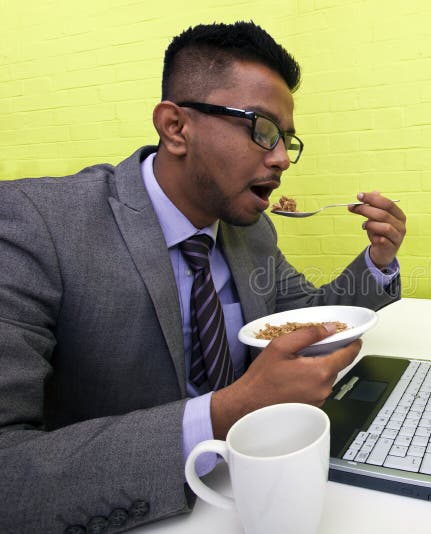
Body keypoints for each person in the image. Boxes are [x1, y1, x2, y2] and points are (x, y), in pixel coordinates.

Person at [0, 21, 406, 533]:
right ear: (175, 127)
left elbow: (310, 310)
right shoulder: (33, 226)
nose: (281, 158)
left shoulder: (251, 231)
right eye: (261, 128)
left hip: (261, 488)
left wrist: (378, 262)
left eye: (287, 140)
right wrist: (226, 411)